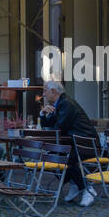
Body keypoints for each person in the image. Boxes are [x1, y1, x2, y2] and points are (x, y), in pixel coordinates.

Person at [38, 78, 98, 207]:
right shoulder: (59, 104)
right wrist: (42, 114)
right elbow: (50, 126)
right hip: (74, 144)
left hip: (86, 145)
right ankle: (74, 184)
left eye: (44, 91)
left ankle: (87, 188)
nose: (43, 94)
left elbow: (59, 128)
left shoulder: (66, 104)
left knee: (64, 158)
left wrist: (49, 128)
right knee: (52, 156)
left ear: (53, 91)